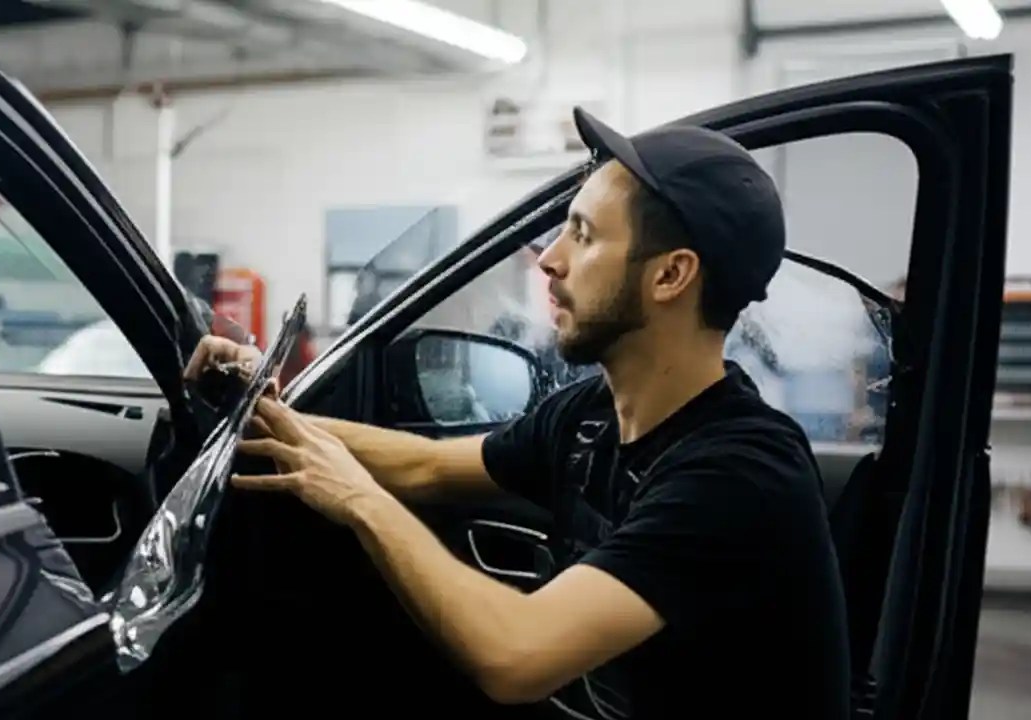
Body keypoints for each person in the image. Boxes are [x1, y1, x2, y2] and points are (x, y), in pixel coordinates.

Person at [186, 108, 851, 719]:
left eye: (584, 237)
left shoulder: (740, 473)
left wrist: (357, 499)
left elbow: (516, 657)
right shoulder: (591, 416)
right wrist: (262, 407)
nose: (552, 262)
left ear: (670, 276)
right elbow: (423, 467)